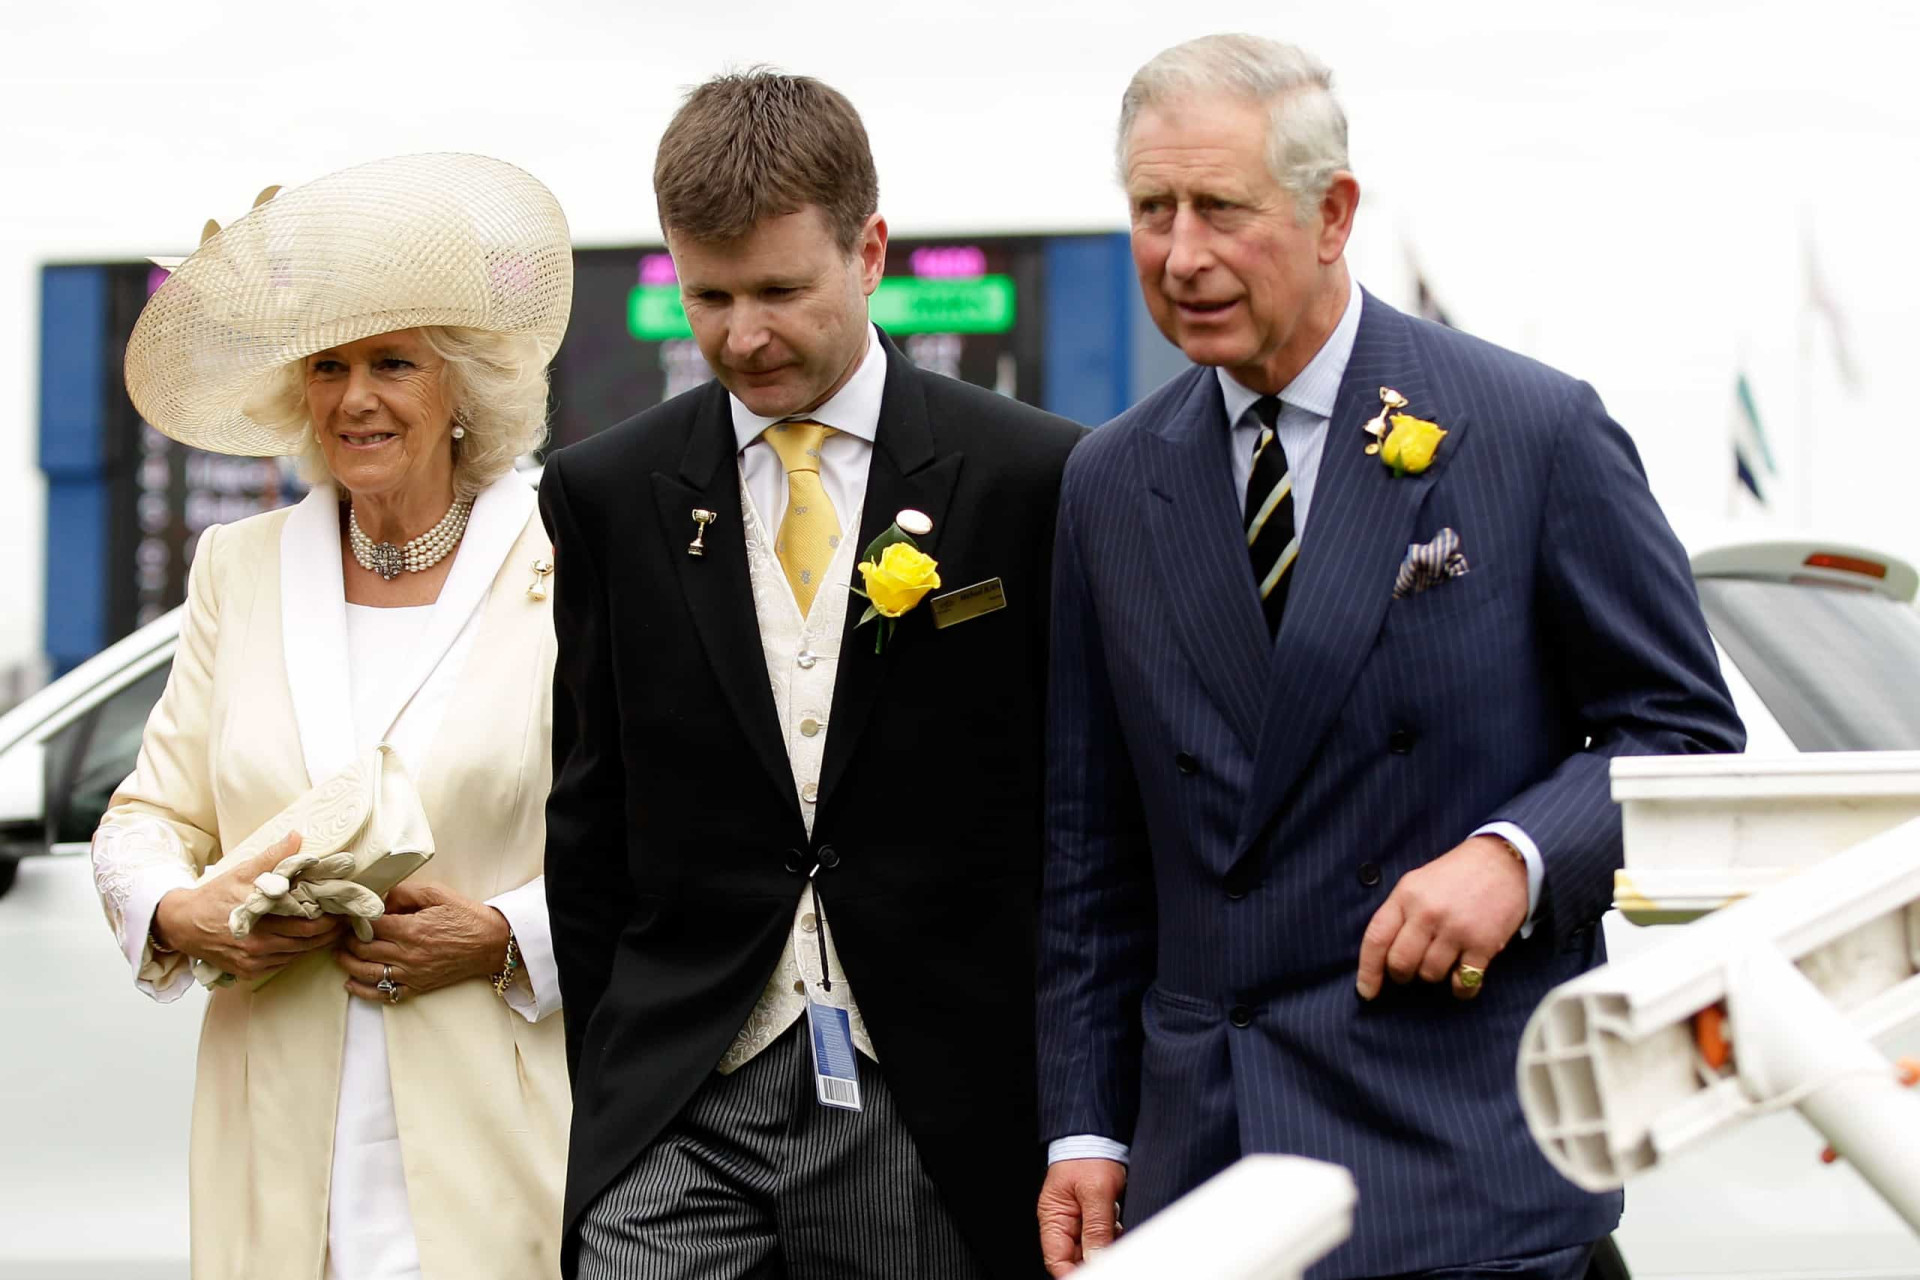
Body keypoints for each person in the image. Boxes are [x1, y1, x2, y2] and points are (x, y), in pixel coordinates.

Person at [1035, 34, 1745, 1280]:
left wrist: (1515, 858)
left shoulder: (1532, 428)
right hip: (1212, 1164)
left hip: (1462, 1155)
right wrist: (1086, 1121)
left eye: (1222, 209)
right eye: (1153, 210)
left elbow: (1680, 732)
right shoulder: (1109, 480)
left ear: (1331, 213)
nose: (1183, 254)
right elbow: (1093, 856)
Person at [541, 69, 1083, 1280]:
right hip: (679, 1106)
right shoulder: (606, 491)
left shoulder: (1036, 476)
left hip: (932, 1102)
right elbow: (590, 812)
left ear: (871, 249)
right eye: (709, 295)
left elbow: (1076, 815)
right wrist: (613, 1077)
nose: (742, 335)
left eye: (781, 290)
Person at [94, 152, 575, 1280]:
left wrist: (507, 933)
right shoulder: (239, 565)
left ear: (463, 384)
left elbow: (658, 833)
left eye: (393, 362)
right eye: (328, 366)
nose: (355, 397)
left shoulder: (569, 557)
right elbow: (146, 812)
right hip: (274, 1116)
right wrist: (179, 909)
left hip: (500, 1118)